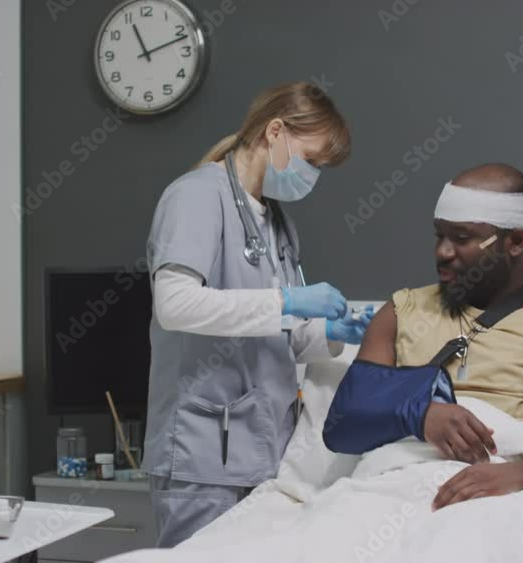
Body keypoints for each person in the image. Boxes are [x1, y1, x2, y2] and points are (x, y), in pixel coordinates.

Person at [142, 81, 373, 548]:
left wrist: (331, 333)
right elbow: (174, 305)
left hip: (265, 451)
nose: (312, 176)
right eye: (311, 160)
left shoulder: (277, 222)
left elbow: (277, 335)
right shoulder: (196, 197)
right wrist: (287, 302)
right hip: (205, 452)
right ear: (275, 131)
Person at [356, 163, 523, 512]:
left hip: (504, 500)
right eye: (439, 235)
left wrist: (518, 477)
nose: (442, 251)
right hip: (394, 486)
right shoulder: (401, 312)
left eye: (461, 238)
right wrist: (420, 415)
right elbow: (352, 414)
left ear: (516, 241)